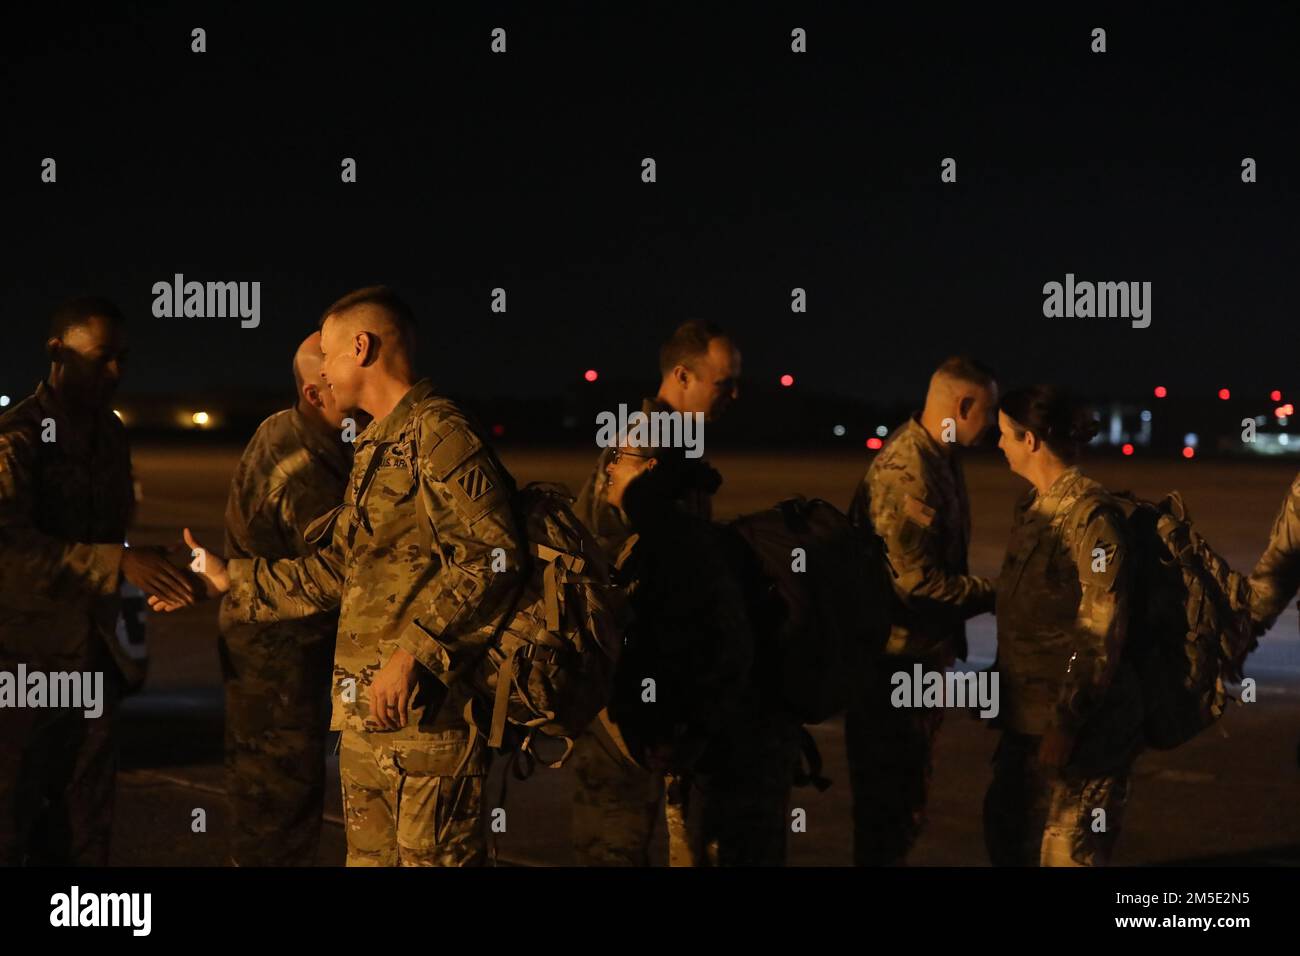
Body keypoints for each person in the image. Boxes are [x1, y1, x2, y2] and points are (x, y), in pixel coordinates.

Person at [158, 286, 522, 866]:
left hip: (428, 727)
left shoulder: (441, 434)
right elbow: (341, 570)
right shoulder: (376, 444)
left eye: (328, 353)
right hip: (368, 725)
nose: (322, 369)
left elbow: (495, 556)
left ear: (361, 347)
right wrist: (233, 579)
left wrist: (415, 653)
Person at [0, 296, 199, 865]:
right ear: (57, 352)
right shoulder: (15, 442)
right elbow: (8, 552)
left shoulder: (109, 437)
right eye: (101, 358)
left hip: (93, 664)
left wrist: (147, 560)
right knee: (12, 825)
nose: (116, 372)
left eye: (123, 359)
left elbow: (104, 537)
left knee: (86, 829)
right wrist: (117, 562)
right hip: (20, 672)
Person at [571, 320, 742, 866]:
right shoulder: (644, 444)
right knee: (617, 842)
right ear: (683, 375)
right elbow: (610, 572)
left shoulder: (676, 446)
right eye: (723, 383)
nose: (733, 396)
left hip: (667, 686)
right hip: (628, 688)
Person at [845, 356, 998, 865]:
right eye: (989, 411)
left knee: (905, 803)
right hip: (893, 667)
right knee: (889, 810)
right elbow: (916, 585)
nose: (994, 425)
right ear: (964, 405)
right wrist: (997, 594)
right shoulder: (909, 470)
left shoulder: (939, 457)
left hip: (917, 664)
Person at [983, 384, 1143, 867]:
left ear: (1031, 440)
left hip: (1079, 732)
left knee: (1070, 856)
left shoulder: (1091, 516)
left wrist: (1067, 721)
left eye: (1005, 434)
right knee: (1007, 836)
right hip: (1027, 723)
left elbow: (1100, 628)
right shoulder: (1034, 507)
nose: (999, 444)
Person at [600, 438, 779, 865]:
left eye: (618, 458)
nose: (607, 467)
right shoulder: (656, 543)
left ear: (650, 470)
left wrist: (689, 734)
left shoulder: (684, 548)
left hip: (722, 760)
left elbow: (730, 652)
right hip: (699, 753)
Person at [217, 331, 357, 865]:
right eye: (343, 375)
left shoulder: (296, 430)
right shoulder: (301, 470)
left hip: (281, 647)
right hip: (279, 661)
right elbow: (342, 574)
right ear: (315, 394)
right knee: (279, 812)